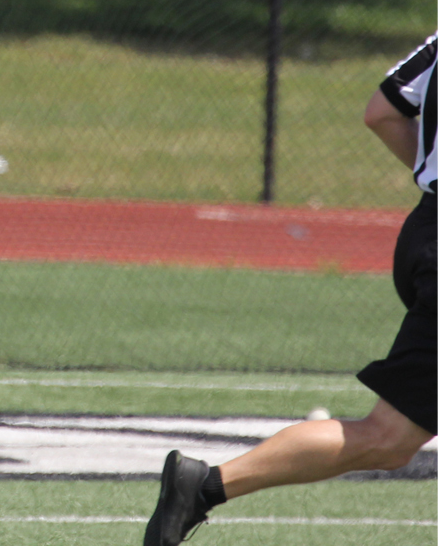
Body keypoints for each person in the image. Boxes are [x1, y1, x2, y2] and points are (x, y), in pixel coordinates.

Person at [143, 33, 438, 545]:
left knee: (390, 440)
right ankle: (206, 487)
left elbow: (382, 110)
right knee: (388, 437)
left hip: (426, 228)